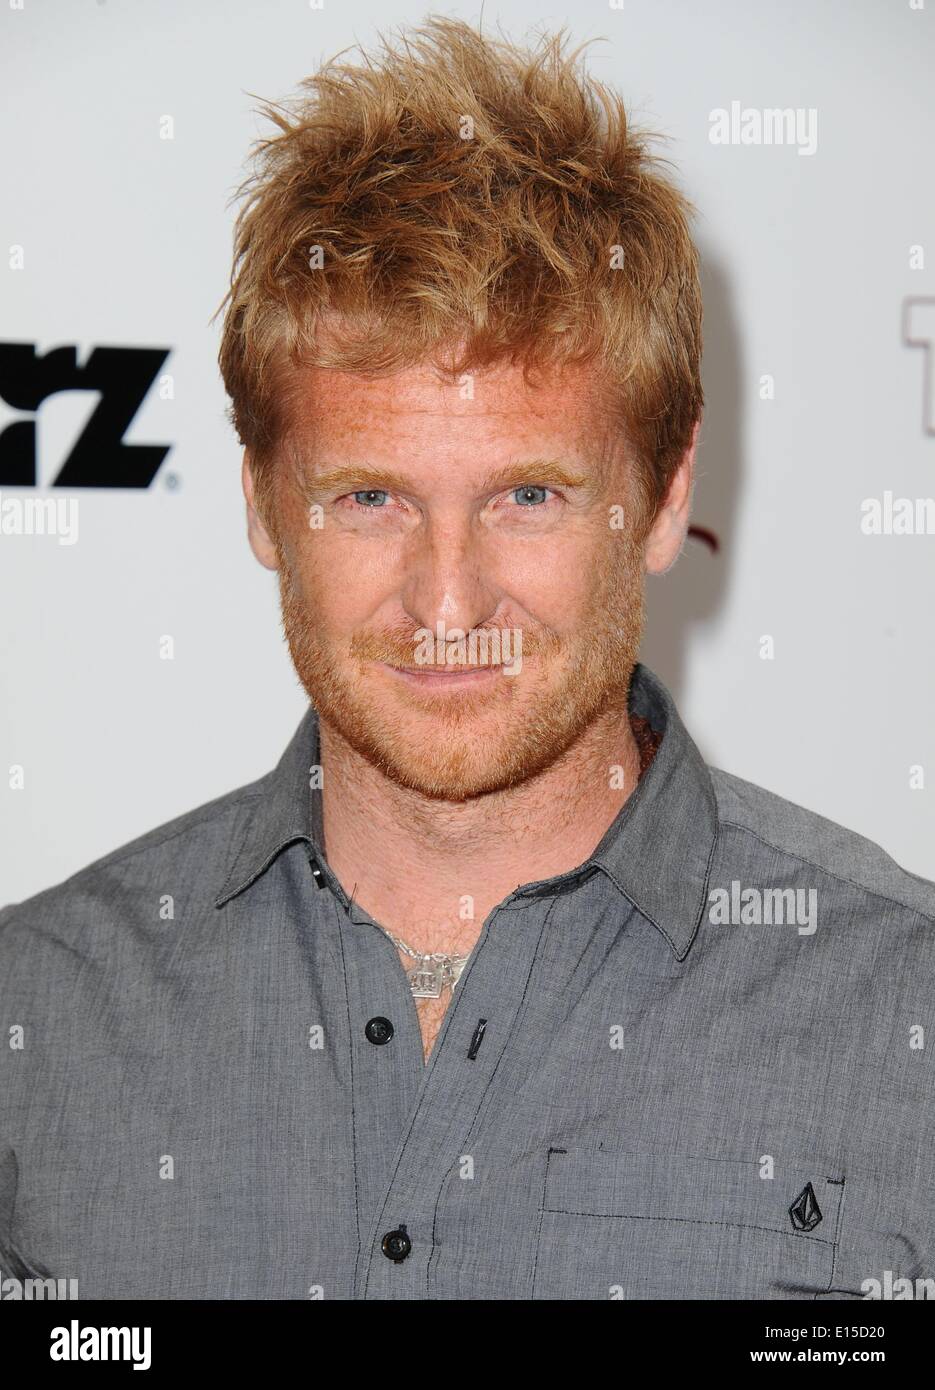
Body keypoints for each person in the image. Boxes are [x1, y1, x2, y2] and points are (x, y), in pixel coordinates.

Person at [2, 17, 933, 1301]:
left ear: (665, 495)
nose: (447, 598)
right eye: (369, 497)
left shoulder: (900, 1010)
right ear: (264, 505)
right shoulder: (37, 1019)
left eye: (529, 497)